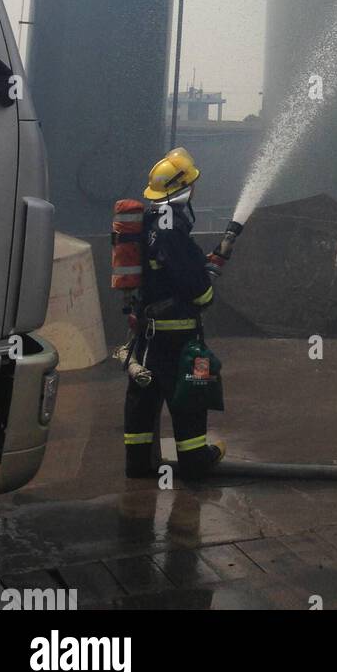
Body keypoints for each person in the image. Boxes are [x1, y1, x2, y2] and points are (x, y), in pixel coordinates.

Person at [121, 147, 225, 480]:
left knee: (143, 396)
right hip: (180, 339)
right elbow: (200, 293)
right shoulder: (172, 230)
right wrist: (207, 278)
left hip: (149, 339)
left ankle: (138, 463)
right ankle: (196, 462)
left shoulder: (151, 222)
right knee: (192, 392)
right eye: (191, 183)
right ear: (182, 188)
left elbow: (170, 272)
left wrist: (205, 262)